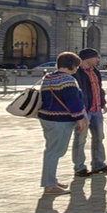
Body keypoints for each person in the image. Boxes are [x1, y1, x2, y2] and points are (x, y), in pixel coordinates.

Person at [37, 52, 88, 194]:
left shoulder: (48, 78)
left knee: (50, 150)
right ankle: (49, 185)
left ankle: (50, 179)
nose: (77, 69)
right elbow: (74, 102)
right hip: (61, 120)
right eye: (76, 66)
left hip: (46, 118)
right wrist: (80, 120)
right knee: (54, 152)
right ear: (72, 65)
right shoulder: (68, 80)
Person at [72, 48, 107, 176]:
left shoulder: (95, 71)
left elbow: (99, 89)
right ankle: (79, 168)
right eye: (96, 57)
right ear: (87, 58)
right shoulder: (76, 72)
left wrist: (103, 103)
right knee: (80, 139)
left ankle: (98, 165)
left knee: (99, 138)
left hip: (96, 110)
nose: (98, 59)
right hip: (84, 112)